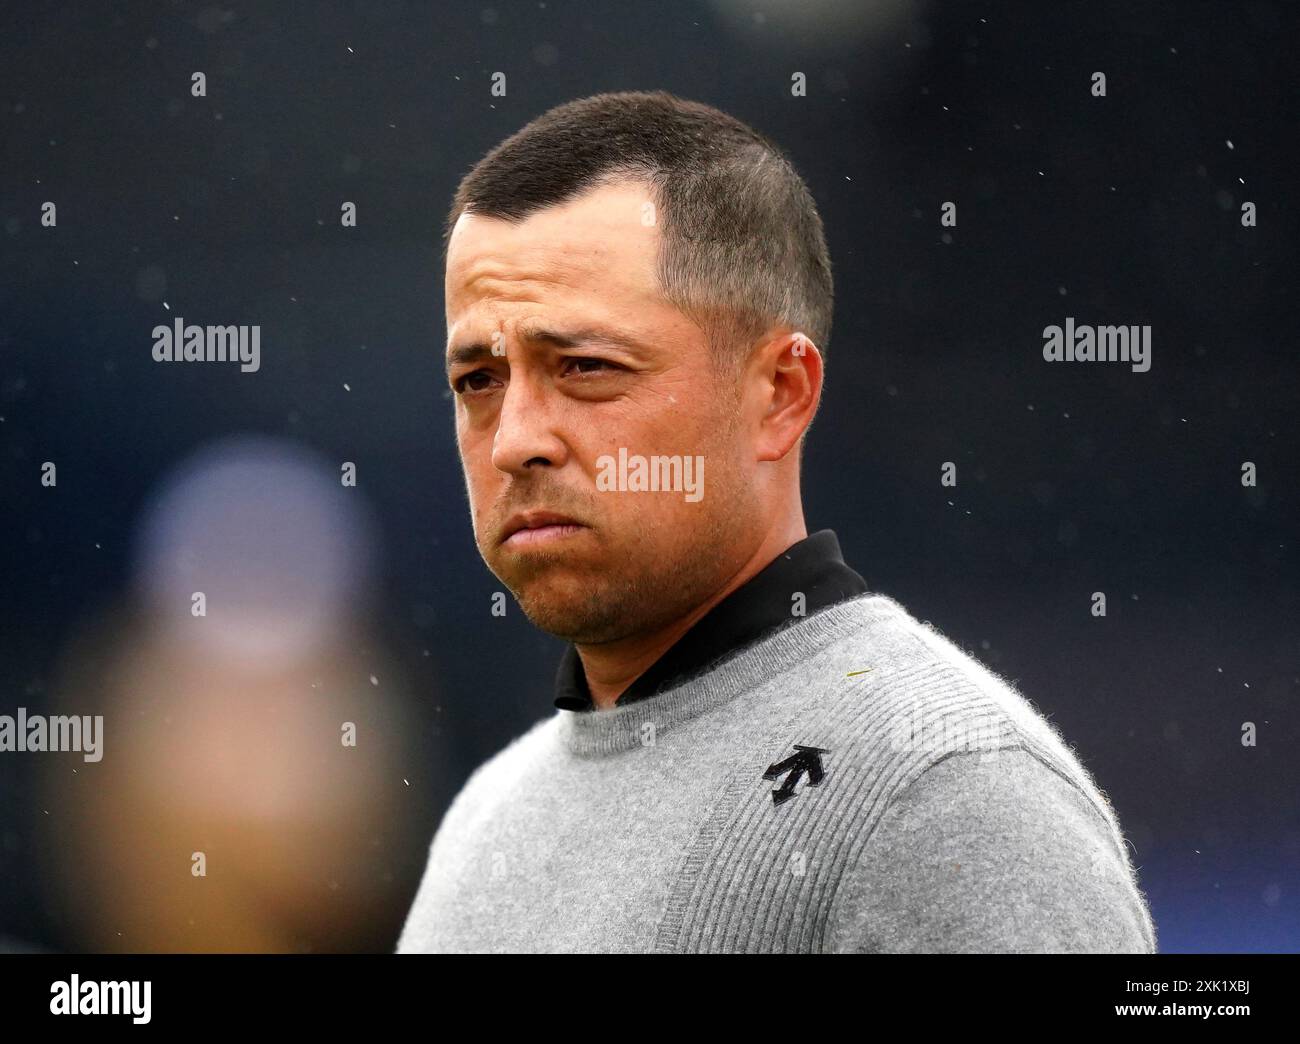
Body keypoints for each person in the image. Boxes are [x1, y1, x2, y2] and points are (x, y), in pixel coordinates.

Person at [397, 90, 1156, 953]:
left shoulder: (946, 790)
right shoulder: (484, 818)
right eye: (479, 382)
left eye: (585, 366)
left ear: (779, 395)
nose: (515, 442)